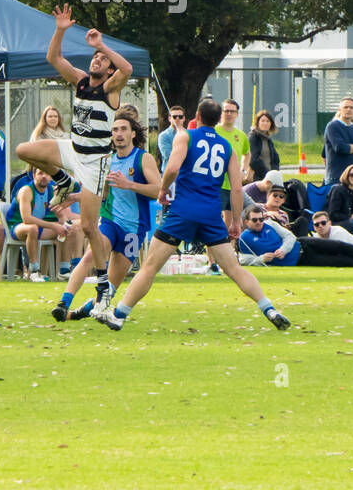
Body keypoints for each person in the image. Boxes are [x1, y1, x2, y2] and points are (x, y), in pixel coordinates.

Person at [94, 98, 290, 333]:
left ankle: (119, 314)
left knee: (150, 267)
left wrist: (163, 189)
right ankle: (269, 308)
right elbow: (237, 188)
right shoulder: (227, 147)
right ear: (218, 120)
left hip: (183, 212)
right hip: (211, 214)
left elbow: (173, 167)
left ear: (196, 116)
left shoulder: (186, 136)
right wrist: (237, 221)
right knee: (234, 269)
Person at [16, 4, 132, 283]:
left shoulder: (110, 89)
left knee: (90, 226)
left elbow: (127, 68)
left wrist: (102, 43)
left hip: (95, 162)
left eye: (103, 60)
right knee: (24, 150)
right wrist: (60, 30)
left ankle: (102, 279)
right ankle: (63, 181)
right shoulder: (80, 81)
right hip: (72, 149)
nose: (97, 60)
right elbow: (53, 57)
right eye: (95, 57)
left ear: (108, 70)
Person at [51, 113, 160, 321]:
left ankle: (78, 314)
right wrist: (72, 196)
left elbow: (158, 190)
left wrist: (130, 185)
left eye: (123, 129)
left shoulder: (142, 158)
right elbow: (101, 193)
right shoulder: (106, 160)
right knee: (91, 256)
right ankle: (63, 302)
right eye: (115, 130)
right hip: (110, 220)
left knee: (111, 285)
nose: (119, 134)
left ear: (133, 133)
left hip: (134, 229)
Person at [239, 205, 353, 267]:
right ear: (246, 222)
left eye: (261, 219)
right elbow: (242, 259)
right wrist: (260, 259)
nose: (259, 222)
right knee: (338, 260)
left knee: (339, 246)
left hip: (303, 244)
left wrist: (284, 249)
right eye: (255, 220)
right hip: (300, 259)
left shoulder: (270, 224)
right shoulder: (244, 239)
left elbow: (289, 237)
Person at [4, 168, 77, 280]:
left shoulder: (52, 190)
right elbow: (26, 219)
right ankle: (33, 271)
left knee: (69, 228)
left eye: (47, 173)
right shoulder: (26, 190)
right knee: (32, 228)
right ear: (34, 175)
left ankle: (64, 270)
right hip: (17, 226)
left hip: (38, 227)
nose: (44, 176)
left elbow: (62, 217)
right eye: (40, 173)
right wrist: (53, 226)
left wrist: (62, 220)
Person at [216, 99, 251, 227]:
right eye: (226, 111)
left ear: (237, 114)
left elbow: (247, 153)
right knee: (214, 219)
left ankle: (228, 246)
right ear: (221, 113)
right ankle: (212, 245)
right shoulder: (215, 131)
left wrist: (244, 170)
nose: (229, 114)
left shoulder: (240, 135)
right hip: (216, 184)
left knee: (230, 222)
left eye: (232, 111)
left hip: (233, 186)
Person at [324, 97, 353, 184]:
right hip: (335, 178)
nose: (348, 110)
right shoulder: (332, 126)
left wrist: (349, 148)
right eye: (345, 107)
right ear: (339, 110)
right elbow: (340, 148)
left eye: (351, 108)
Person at [248, 110, 281, 179]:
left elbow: (275, 159)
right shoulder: (253, 137)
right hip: (257, 179)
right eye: (262, 121)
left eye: (268, 121)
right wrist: (266, 174)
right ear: (258, 123)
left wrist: (274, 173)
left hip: (269, 178)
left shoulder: (268, 140)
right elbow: (253, 160)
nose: (265, 123)